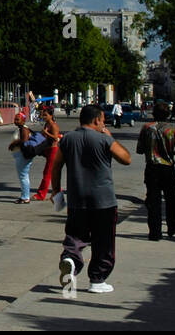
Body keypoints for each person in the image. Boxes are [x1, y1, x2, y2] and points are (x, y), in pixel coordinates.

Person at [50, 105, 132, 294]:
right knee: (103, 241)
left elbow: (56, 166)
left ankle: (70, 259)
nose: (104, 123)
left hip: (77, 200)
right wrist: (109, 136)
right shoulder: (104, 139)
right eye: (103, 120)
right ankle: (97, 279)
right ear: (96, 120)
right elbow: (126, 159)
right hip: (104, 200)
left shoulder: (68, 139)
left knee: (75, 235)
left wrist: (56, 190)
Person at [135, 102, 175, 240]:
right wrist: (170, 152)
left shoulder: (146, 128)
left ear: (154, 114)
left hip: (152, 168)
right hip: (168, 168)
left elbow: (139, 149)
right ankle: (172, 226)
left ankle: (155, 232)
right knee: (172, 199)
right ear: (168, 115)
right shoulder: (173, 130)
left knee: (153, 201)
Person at [32, 105, 62, 201]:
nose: (43, 117)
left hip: (54, 150)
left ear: (51, 115)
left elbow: (56, 138)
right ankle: (57, 192)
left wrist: (46, 133)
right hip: (48, 150)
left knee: (47, 173)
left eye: (45, 115)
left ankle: (41, 194)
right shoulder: (47, 125)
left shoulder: (53, 125)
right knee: (51, 173)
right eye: (43, 115)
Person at [7, 109, 36, 203]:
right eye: (15, 119)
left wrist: (14, 144)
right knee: (23, 176)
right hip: (20, 155)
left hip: (22, 155)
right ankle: (25, 196)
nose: (15, 121)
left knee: (23, 176)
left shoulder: (24, 129)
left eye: (17, 119)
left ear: (23, 120)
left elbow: (24, 140)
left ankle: (25, 197)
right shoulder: (20, 128)